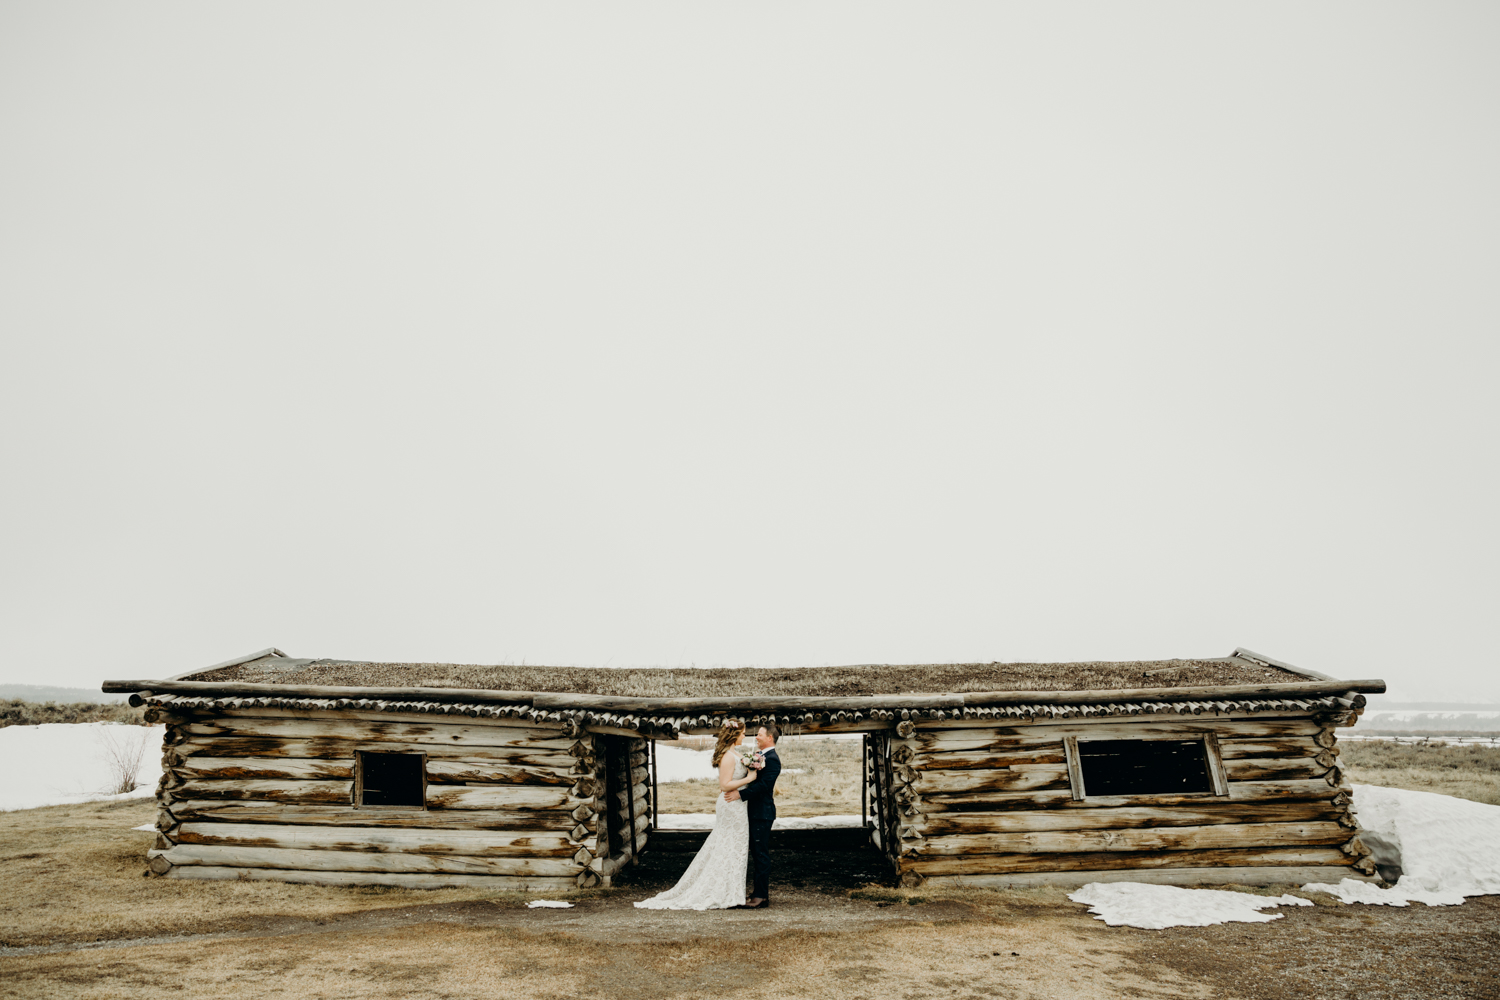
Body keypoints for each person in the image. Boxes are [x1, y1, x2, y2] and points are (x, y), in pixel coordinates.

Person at [634, 720, 759, 910]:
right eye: (742, 733)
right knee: (727, 845)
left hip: (739, 805)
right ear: (734, 735)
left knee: (736, 846)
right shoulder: (728, 756)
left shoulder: (736, 754)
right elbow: (724, 785)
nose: (744, 735)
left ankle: (731, 891)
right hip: (730, 806)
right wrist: (749, 778)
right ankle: (721, 891)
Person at [724, 723, 781, 909]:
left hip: (762, 813)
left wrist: (740, 794)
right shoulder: (761, 756)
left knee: (760, 853)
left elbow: (764, 786)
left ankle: (761, 896)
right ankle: (758, 892)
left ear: (769, 738)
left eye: (759, 734)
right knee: (756, 853)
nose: (756, 737)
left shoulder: (772, 759)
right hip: (754, 812)